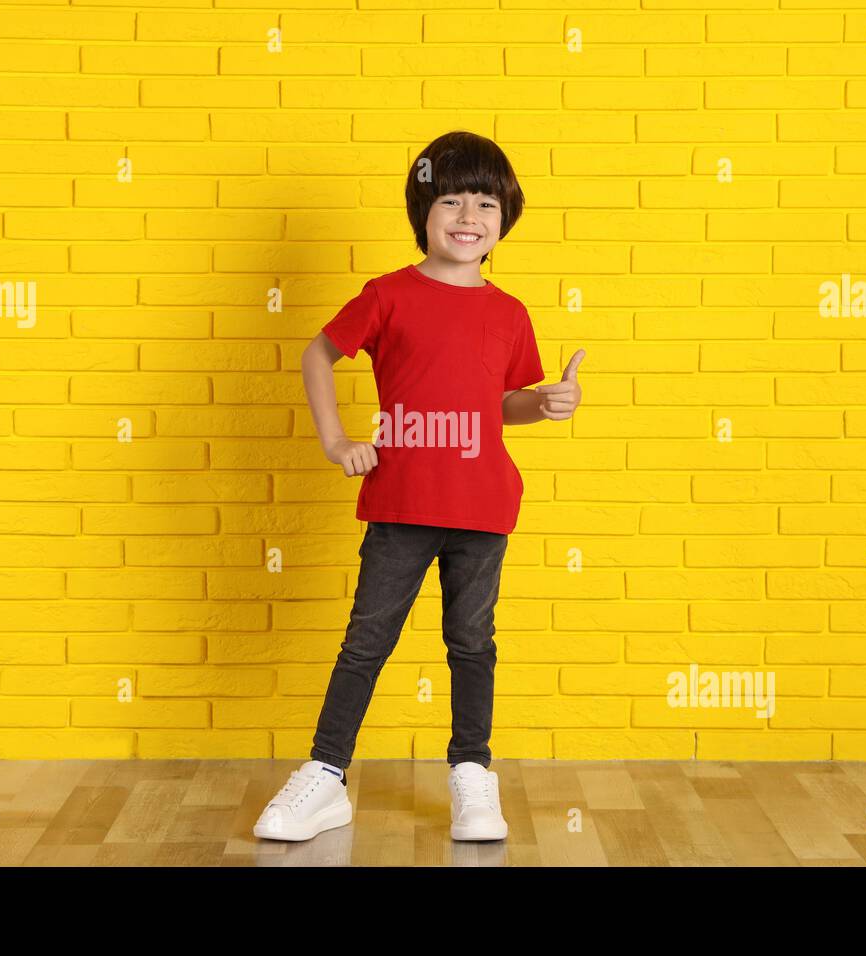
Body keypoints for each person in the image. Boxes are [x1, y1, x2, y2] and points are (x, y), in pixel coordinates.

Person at [254, 130, 584, 843]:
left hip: (483, 507)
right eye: (452, 201)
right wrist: (336, 440)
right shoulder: (388, 296)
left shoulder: (510, 313)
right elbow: (318, 353)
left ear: (505, 218)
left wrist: (548, 401)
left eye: (485, 203)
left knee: (472, 643)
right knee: (365, 643)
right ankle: (326, 776)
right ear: (424, 213)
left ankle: (472, 774)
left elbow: (498, 404)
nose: (469, 216)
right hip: (401, 504)